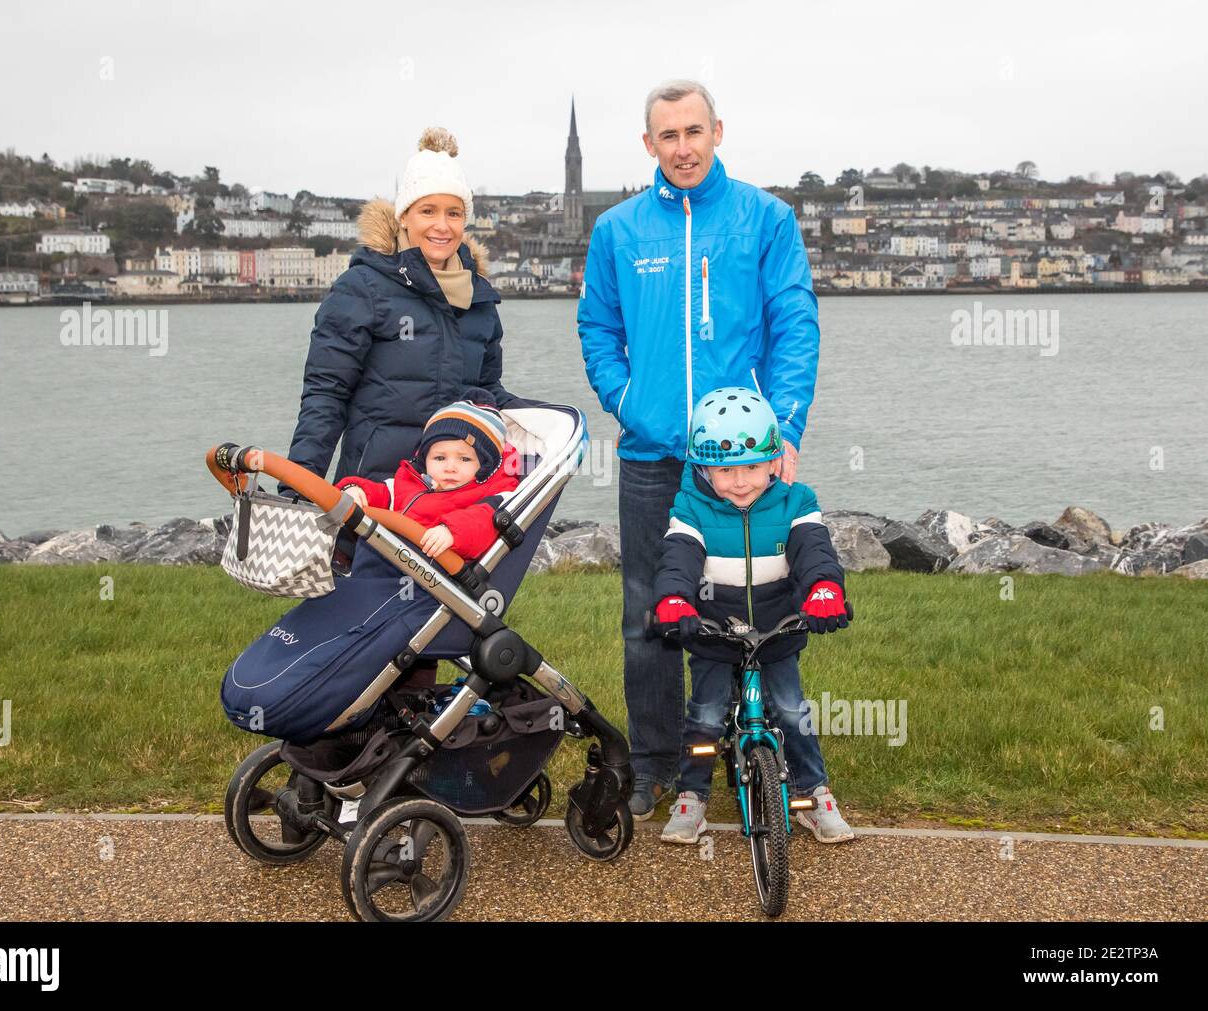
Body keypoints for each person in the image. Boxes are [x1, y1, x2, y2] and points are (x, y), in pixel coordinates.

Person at [578, 80, 821, 820]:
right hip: (652, 457)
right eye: (667, 136)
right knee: (652, 615)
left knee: (758, 607)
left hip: (744, 458)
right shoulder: (618, 231)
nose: (682, 147)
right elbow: (597, 329)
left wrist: (784, 426)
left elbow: (794, 324)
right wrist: (629, 405)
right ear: (648, 144)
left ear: (718, 131)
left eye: (694, 131)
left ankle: (777, 765)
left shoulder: (765, 218)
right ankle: (658, 765)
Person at [281, 126, 529, 544]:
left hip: (453, 499)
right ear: (403, 216)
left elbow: (485, 394)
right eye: (427, 211)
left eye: (454, 213)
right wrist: (299, 485)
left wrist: (547, 421)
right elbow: (327, 393)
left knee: (439, 607)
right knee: (359, 602)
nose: (442, 226)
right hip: (374, 490)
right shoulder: (362, 288)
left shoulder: (478, 298)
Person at [652, 388, 854, 844]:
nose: (740, 481)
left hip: (777, 630)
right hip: (712, 632)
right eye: (724, 470)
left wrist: (824, 589)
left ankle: (812, 795)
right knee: (705, 716)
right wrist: (674, 601)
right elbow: (678, 559)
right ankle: (692, 795)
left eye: (751, 467)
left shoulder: (795, 501)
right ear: (703, 468)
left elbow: (815, 552)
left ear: (773, 461)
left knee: (790, 710)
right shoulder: (691, 508)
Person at [333, 399, 520, 562]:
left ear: (485, 465)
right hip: (381, 560)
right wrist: (355, 489)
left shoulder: (489, 495)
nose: (450, 467)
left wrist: (452, 532)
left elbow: (482, 521)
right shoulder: (414, 482)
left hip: (429, 576)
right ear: (425, 459)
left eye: (464, 459)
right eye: (439, 458)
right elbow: (382, 493)